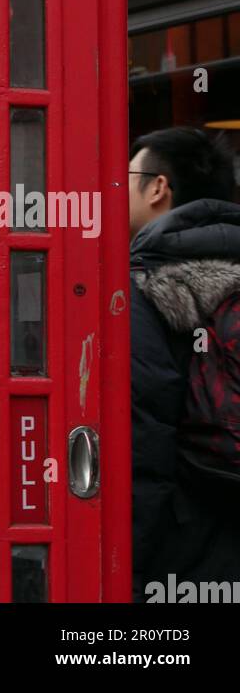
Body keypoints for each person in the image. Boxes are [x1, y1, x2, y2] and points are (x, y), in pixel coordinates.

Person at [128, 127, 240, 600]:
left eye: (126, 177)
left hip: (176, 548)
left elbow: (144, 438)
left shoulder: (140, 287)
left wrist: (128, 564)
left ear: (157, 187)